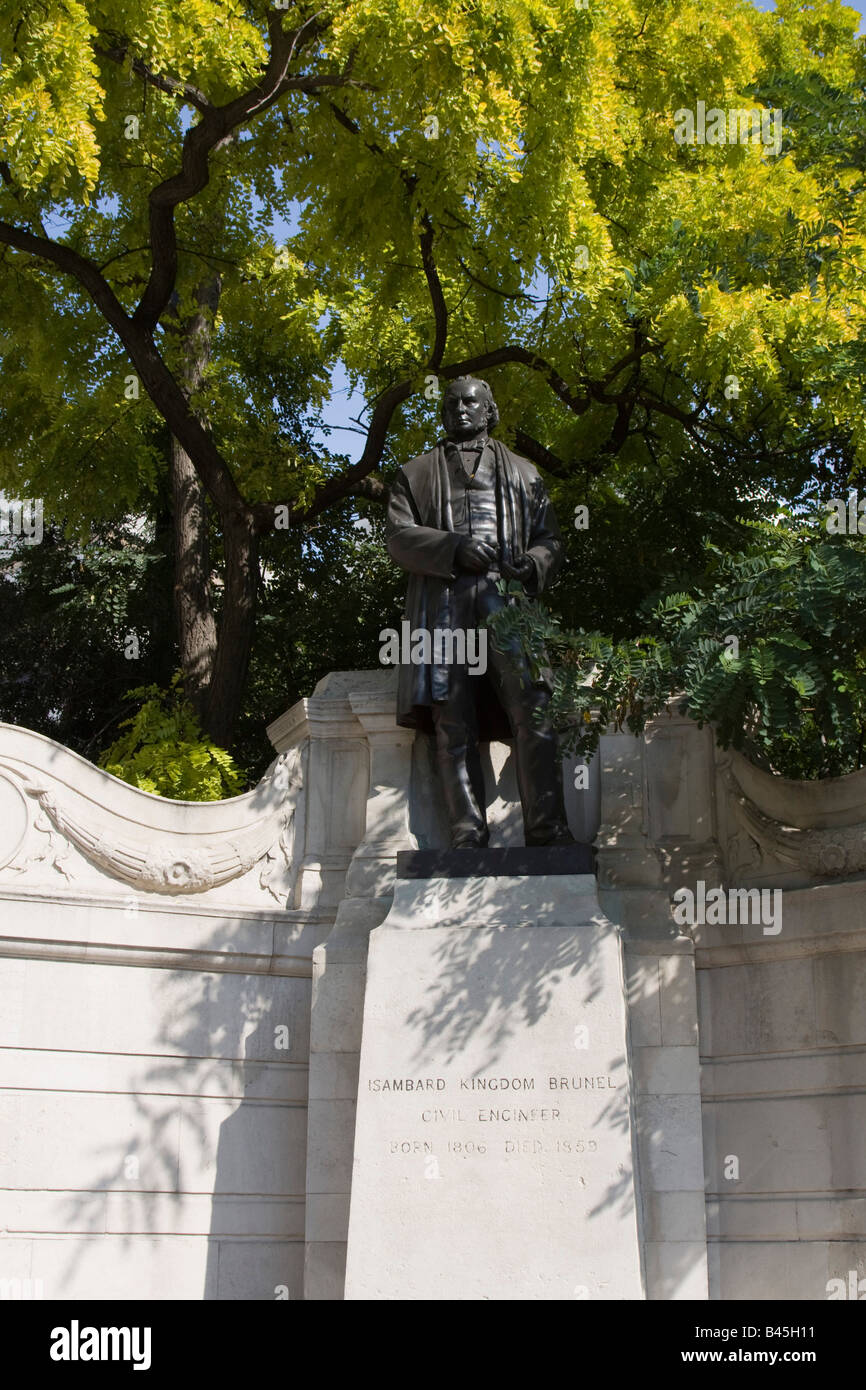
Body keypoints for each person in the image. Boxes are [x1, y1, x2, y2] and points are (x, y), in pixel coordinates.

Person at [386, 375, 573, 848]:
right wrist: (453, 548)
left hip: (506, 601)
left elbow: (550, 539)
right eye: (452, 404)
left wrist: (531, 564)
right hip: (444, 604)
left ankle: (547, 830)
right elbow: (399, 537)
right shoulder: (416, 473)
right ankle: (467, 834)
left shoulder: (526, 473)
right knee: (453, 719)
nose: (461, 410)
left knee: (534, 703)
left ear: (489, 411)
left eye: (471, 403)